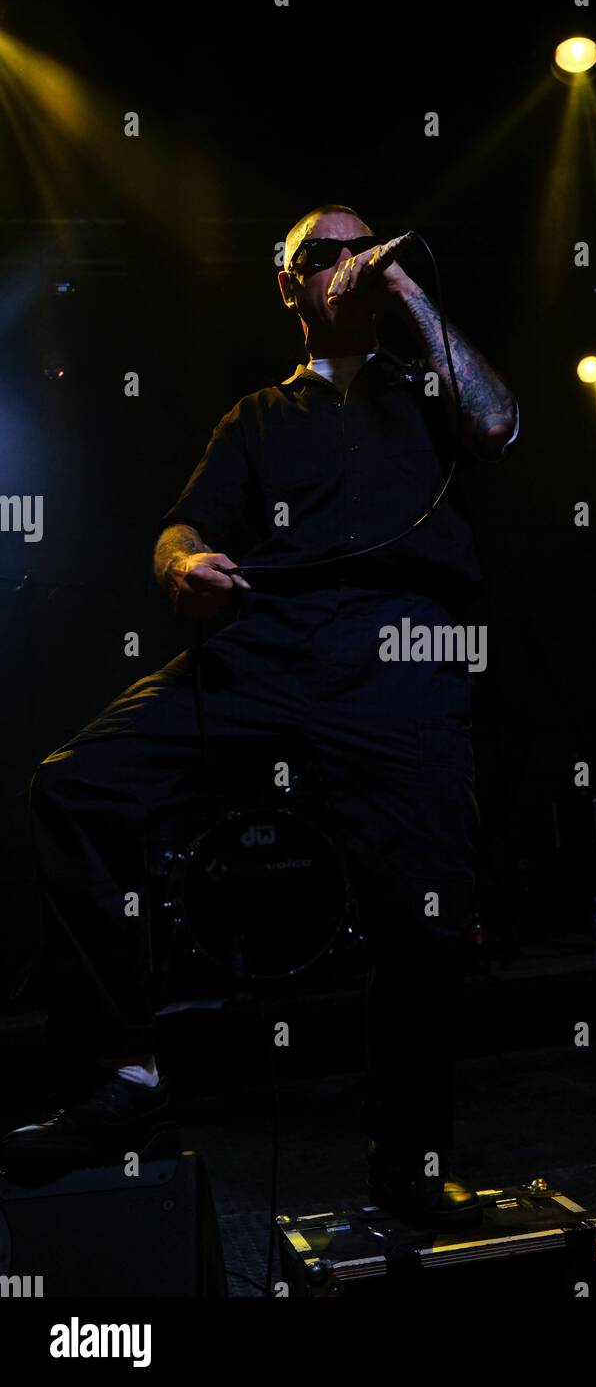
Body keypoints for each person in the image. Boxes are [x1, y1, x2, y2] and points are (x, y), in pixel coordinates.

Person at [0, 204, 518, 1226]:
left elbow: (498, 422)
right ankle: (125, 1073)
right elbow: (177, 526)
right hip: (265, 646)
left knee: (426, 918)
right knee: (73, 785)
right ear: (287, 286)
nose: (345, 264)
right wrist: (185, 565)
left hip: (398, 656)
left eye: (358, 248)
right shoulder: (254, 418)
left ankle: (407, 1159)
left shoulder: (424, 388)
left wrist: (405, 290)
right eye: (320, 255)